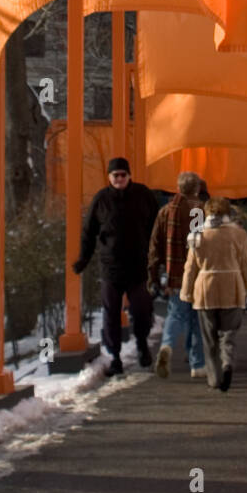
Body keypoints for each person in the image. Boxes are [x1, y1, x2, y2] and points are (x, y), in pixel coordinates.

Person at [72, 156, 159, 377]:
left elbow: (157, 228)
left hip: (139, 265)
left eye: (123, 174)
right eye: (115, 175)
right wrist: (83, 259)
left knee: (142, 309)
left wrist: (158, 258)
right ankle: (115, 357)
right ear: (109, 177)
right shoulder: (101, 199)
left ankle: (141, 343)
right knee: (110, 312)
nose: (119, 178)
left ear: (129, 175)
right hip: (111, 267)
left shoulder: (143, 195)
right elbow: (88, 232)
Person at [180, 196, 247, 392]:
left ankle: (214, 378)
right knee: (228, 334)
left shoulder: (198, 235)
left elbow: (190, 268)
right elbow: (246, 263)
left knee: (209, 338)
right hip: (232, 287)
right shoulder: (238, 234)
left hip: (205, 290)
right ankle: (227, 363)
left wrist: (187, 292)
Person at [147, 171, 206, 379]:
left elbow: (154, 246)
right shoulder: (199, 211)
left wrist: (153, 276)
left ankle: (166, 347)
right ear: (197, 189)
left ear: (178, 188)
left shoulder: (166, 212)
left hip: (175, 275)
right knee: (197, 318)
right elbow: (200, 244)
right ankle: (198, 363)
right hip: (197, 274)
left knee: (176, 314)